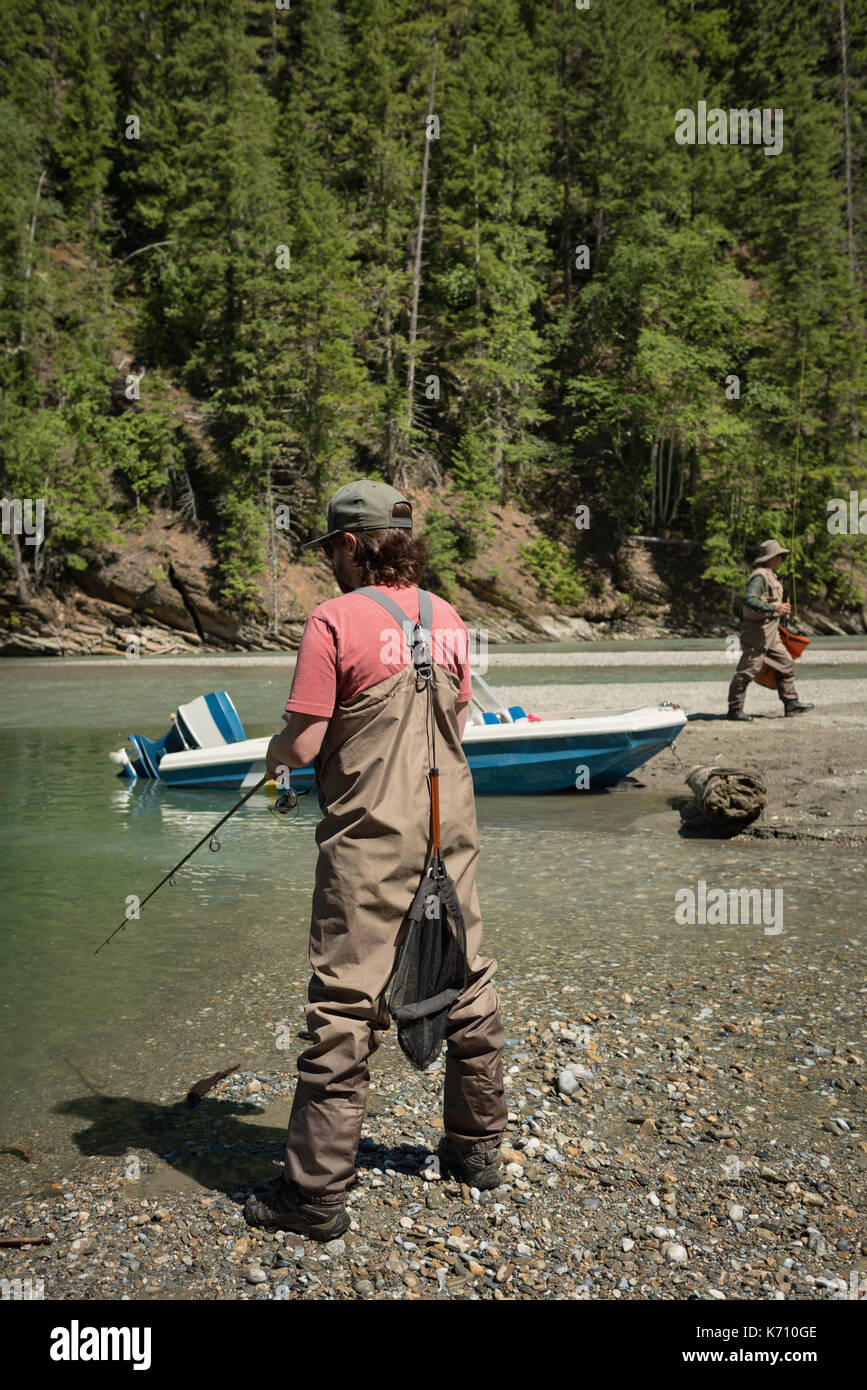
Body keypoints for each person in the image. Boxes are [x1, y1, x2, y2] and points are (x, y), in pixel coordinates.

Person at [244, 479, 507, 1240]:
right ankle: (475, 1150)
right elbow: (456, 717)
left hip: (369, 839)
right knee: (469, 979)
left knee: (343, 1004)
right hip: (449, 828)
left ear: (353, 545)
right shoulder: (448, 615)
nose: (329, 562)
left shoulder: (333, 619)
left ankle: (316, 1197)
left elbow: (301, 740)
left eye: (330, 548)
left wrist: (270, 761)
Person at [726, 539, 814, 721]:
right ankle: (735, 709)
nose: (781, 559)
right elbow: (750, 600)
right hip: (757, 633)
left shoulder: (770, 575)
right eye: (779, 556)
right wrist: (775, 608)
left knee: (786, 663)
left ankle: (791, 704)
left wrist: (780, 608)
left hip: (771, 633)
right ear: (770, 558)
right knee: (747, 671)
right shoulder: (759, 576)